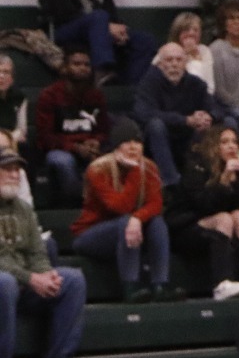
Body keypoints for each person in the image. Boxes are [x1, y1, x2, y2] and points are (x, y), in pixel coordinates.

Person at [0, 150, 86, 358]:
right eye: (7, 170)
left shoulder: (24, 208)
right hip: (6, 285)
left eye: (17, 170)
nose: (14, 175)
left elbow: (37, 251)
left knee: (73, 280)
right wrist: (29, 278)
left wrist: (46, 274)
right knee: (5, 283)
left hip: (23, 285)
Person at [73, 119, 172, 301]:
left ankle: (160, 285)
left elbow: (156, 204)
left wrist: (137, 218)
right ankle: (130, 287)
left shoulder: (149, 167)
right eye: (127, 142)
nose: (133, 147)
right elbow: (119, 207)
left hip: (130, 230)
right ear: (116, 147)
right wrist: (134, 172)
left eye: (137, 142)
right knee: (126, 221)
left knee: (157, 222)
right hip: (91, 235)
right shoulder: (98, 169)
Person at [168, 125, 239, 299]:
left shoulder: (236, 170)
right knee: (224, 218)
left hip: (219, 225)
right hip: (185, 226)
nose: (232, 146)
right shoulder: (196, 167)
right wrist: (223, 181)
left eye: (234, 142)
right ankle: (222, 284)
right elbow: (203, 205)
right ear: (213, 146)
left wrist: (237, 181)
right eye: (224, 142)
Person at [134, 42, 225, 188]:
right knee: (155, 125)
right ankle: (171, 183)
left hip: (188, 138)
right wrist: (185, 120)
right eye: (169, 60)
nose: (174, 64)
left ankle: (210, 180)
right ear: (160, 63)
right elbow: (144, 113)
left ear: (185, 63)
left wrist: (209, 117)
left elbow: (217, 108)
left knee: (219, 124)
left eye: (179, 60)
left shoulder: (196, 84)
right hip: (159, 140)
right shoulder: (148, 83)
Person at [34, 49, 108, 205]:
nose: (82, 68)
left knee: (110, 158)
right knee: (63, 162)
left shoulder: (96, 96)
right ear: (65, 68)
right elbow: (45, 137)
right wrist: (75, 147)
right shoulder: (50, 95)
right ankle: (77, 202)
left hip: (88, 148)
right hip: (59, 150)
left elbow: (103, 129)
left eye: (86, 64)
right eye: (76, 64)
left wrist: (96, 141)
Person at [170, 13, 217, 93]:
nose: (191, 33)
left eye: (196, 30)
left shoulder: (204, 51)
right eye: (186, 29)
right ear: (178, 32)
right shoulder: (168, 51)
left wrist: (195, 56)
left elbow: (209, 87)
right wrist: (186, 55)